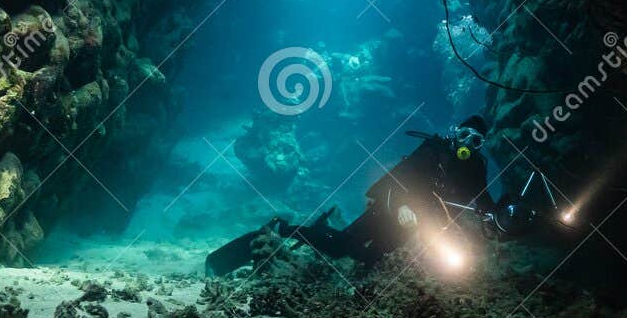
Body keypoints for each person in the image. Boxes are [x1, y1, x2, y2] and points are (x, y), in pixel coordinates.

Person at [205, 116, 496, 276]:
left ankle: (331, 247)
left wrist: (501, 218)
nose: (468, 144)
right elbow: (397, 179)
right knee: (341, 246)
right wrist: (404, 205)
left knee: (370, 260)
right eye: (466, 135)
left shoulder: (475, 169)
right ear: (456, 132)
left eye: (476, 141)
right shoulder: (432, 153)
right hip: (389, 210)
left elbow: (484, 203)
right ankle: (283, 228)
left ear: (481, 145)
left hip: (418, 226)